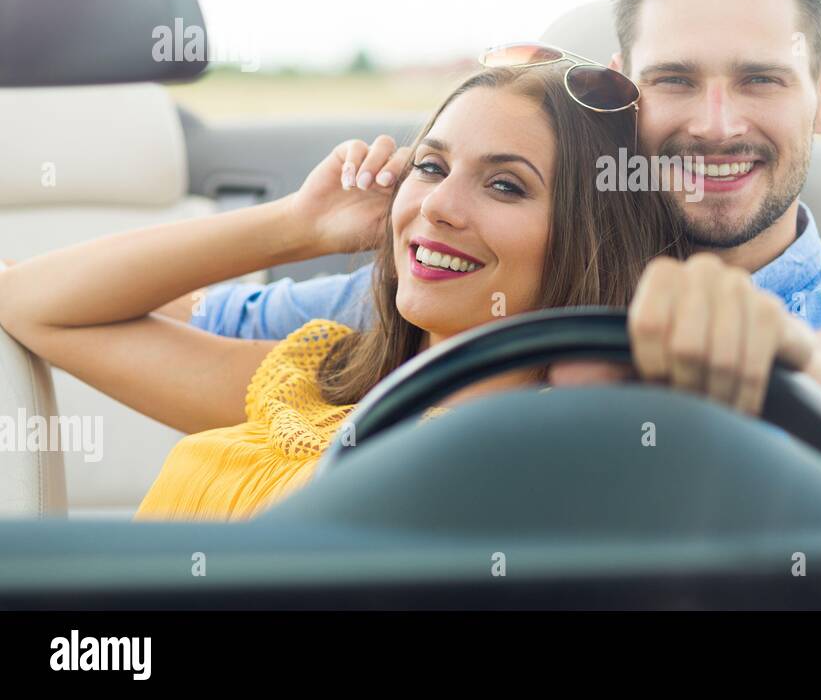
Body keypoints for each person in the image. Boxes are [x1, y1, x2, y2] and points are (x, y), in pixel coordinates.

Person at [175, 0, 821, 520]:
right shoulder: (499, 286)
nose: (716, 127)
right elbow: (192, 322)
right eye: (674, 80)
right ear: (623, 94)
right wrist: (290, 226)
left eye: (761, 79)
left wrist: (788, 355)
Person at [0, 62, 686, 519]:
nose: (439, 206)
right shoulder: (315, 376)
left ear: (589, 238)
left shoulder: (551, 467)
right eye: (429, 166)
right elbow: (31, 304)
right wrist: (297, 226)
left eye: (505, 184)